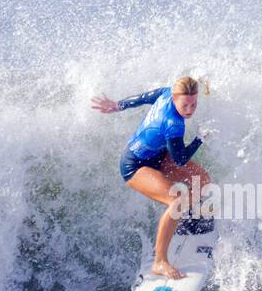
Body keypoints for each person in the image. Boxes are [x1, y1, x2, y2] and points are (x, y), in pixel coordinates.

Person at [91, 76, 212, 280]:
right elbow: (180, 159)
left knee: (202, 180)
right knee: (176, 202)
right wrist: (200, 139)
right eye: (186, 105)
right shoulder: (173, 123)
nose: (190, 109)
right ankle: (160, 262)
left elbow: (142, 98)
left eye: (194, 104)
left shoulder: (166, 92)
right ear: (174, 99)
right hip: (136, 165)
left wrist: (118, 105)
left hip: (158, 155)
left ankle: (188, 220)